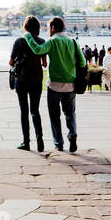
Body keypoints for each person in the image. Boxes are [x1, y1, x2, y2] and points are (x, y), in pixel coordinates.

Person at [24, 16, 87, 153]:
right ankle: (72, 134)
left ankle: (59, 143)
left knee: (54, 116)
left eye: (48, 28)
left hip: (54, 85)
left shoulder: (52, 41)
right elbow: (83, 63)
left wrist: (28, 36)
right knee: (70, 114)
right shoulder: (73, 42)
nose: (47, 30)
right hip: (70, 85)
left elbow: (38, 50)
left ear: (53, 28)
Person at [10, 15, 46, 152]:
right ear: (37, 28)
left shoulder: (19, 41)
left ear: (25, 27)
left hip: (22, 79)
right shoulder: (42, 41)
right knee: (35, 110)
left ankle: (26, 142)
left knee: (24, 111)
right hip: (36, 79)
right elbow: (44, 64)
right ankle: (39, 139)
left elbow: (11, 62)